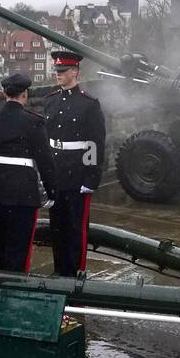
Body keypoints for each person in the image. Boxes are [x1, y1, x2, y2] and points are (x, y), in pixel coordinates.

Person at [0, 71, 56, 272]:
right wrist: (51, 191)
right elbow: (45, 160)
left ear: (4, 93)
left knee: (0, 246)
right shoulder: (33, 122)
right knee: (19, 250)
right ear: (25, 94)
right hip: (23, 196)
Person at [45, 49, 106, 276]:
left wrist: (91, 176)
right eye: (57, 70)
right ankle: (60, 269)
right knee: (57, 226)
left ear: (75, 72)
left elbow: (95, 142)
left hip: (77, 172)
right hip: (57, 172)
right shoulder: (50, 101)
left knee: (76, 228)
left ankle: (76, 271)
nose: (58, 74)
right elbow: (47, 139)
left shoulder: (88, 104)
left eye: (62, 70)